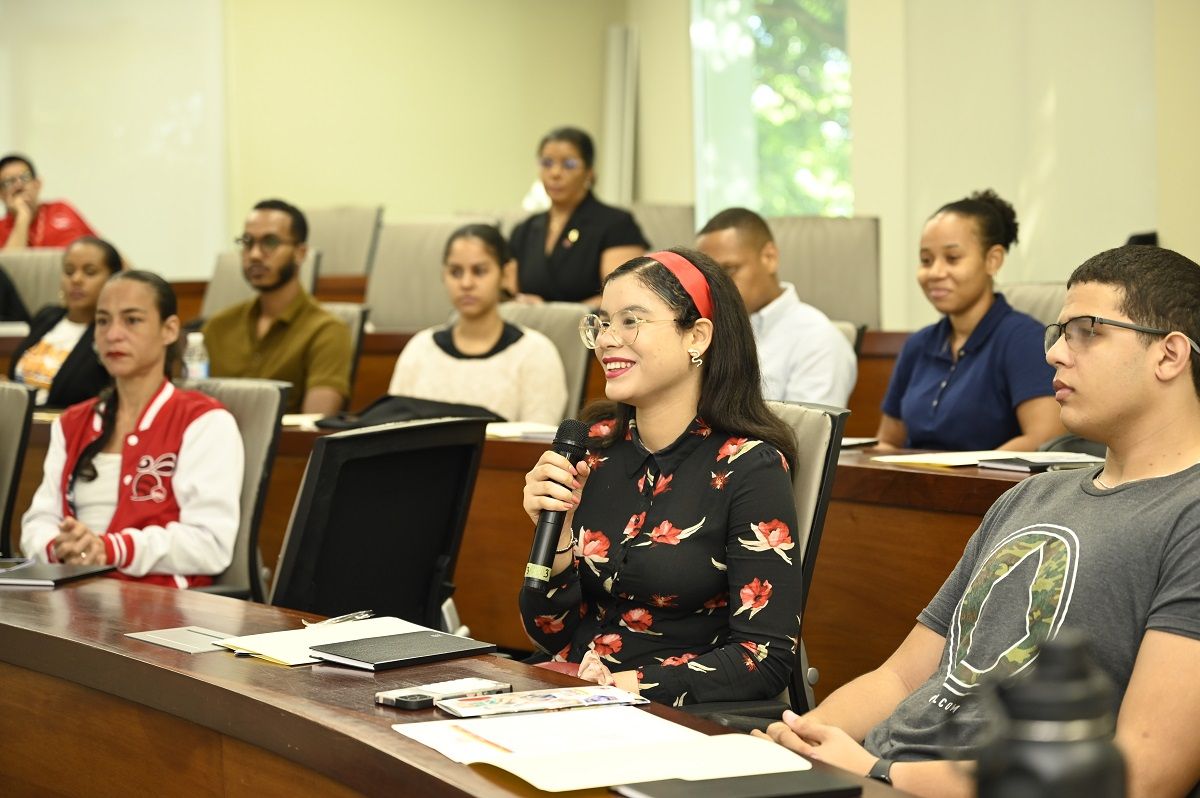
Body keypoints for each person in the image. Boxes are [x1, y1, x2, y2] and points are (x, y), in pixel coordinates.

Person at [759, 245, 1200, 798]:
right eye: (1058, 333)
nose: (1057, 355)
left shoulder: (1189, 514)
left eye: (1087, 331)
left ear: (1170, 355)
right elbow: (899, 677)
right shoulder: (1031, 496)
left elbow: (1145, 772)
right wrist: (798, 740)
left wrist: (880, 773)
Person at [519, 248, 802, 706]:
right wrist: (558, 535)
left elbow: (764, 657)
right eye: (603, 322)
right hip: (575, 694)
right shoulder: (594, 447)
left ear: (697, 336)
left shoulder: (750, 467)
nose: (608, 339)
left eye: (631, 321)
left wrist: (625, 686)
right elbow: (551, 631)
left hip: (676, 712)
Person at [21, 270, 244, 588]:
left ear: (169, 330)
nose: (113, 334)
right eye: (102, 321)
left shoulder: (204, 421)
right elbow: (38, 522)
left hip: (159, 606)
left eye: (132, 320)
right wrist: (60, 546)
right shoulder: (72, 423)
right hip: (71, 595)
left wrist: (110, 548)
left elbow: (209, 543)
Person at [875, 190, 1063, 451]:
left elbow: (1044, 440)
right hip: (912, 488)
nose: (935, 272)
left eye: (952, 258)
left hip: (992, 489)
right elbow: (888, 441)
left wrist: (969, 479)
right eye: (926, 260)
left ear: (992, 260)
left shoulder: (1023, 339)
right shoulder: (918, 345)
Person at [387, 224, 568, 424]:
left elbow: (537, 441)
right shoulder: (420, 348)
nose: (466, 283)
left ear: (505, 274)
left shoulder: (535, 352)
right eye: (455, 272)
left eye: (479, 271)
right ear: (443, 275)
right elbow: (394, 428)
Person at [203, 199, 352, 415]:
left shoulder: (327, 331)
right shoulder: (218, 326)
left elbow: (313, 425)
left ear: (300, 253)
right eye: (247, 242)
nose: (254, 254)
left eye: (270, 242)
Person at [696, 207, 857, 406]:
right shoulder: (702, 333)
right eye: (708, 277)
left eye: (729, 270)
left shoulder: (818, 340)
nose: (717, 286)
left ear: (769, 258)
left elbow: (807, 434)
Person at [508, 127, 649, 305]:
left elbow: (622, 296)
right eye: (547, 163)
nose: (555, 173)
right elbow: (508, 292)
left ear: (589, 171)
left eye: (569, 165)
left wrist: (552, 312)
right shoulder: (524, 230)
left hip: (593, 328)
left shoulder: (617, 223)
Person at [9, 236, 123, 407]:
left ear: (112, 279)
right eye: (69, 271)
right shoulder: (47, 316)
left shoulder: (113, 334)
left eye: (89, 272)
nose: (76, 279)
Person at [0, 154, 96, 251]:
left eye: (25, 177)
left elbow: (100, 252)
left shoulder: (62, 209)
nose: (18, 185)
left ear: (37, 184)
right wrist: (23, 216)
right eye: (9, 182)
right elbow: (10, 264)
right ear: (1, 194)